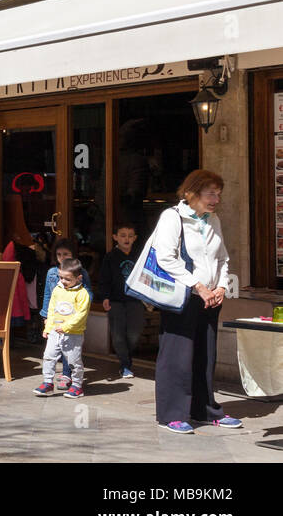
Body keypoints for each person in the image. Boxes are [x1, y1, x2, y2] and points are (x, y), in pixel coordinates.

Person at [152, 169, 241, 434]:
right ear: (191, 193)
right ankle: (172, 414)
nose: (215, 199)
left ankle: (205, 410)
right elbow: (165, 258)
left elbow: (222, 257)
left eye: (219, 194)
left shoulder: (213, 220)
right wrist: (198, 286)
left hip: (210, 298)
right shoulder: (172, 217)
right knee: (177, 356)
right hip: (183, 297)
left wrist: (222, 286)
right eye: (210, 193)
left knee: (205, 354)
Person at [34, 257, 89, 399]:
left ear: (79, 278)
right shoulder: (58, 289)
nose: (63, 281)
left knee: (73, 361)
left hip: (73, 333)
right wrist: (48, 327)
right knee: (48, 356)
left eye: (67, 279)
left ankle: (77, 386)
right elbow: (52, 309)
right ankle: (47, 383)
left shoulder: (82, 294)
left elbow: (81, 315)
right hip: (55, 332)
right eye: (61, 277)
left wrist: (66, 327)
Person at [96, 224, 144, 379]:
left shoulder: (139, 255)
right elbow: (104, 279)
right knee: (117, 335)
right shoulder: (110, 257)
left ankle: (126, 358)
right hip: (115, 300)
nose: (127, 239)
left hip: (135, 300)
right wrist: (105, 297)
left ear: (135, 238)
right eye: (123, 235)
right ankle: (125, 365)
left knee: (134, 334)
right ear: (115, 237)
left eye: (130, 235)